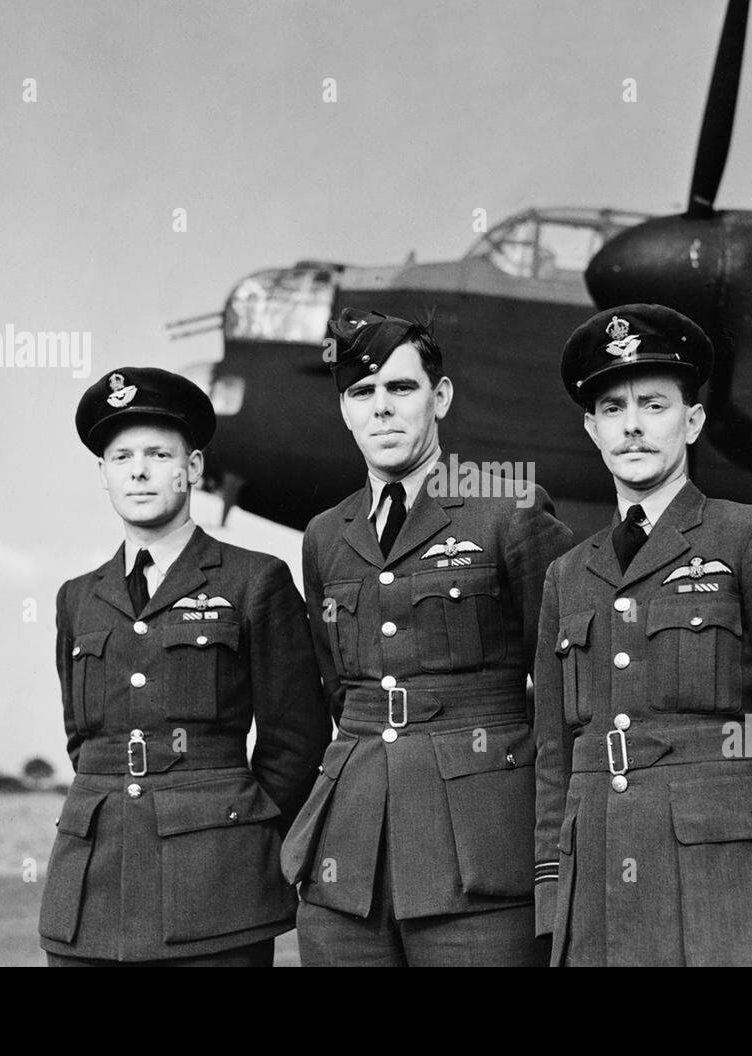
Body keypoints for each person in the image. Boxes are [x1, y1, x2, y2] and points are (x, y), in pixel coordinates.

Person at [534, 305, 752, 966]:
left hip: (727, 902)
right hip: (595, 904)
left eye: (654, 404)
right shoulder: (566, 576)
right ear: (591, 428)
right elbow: (554, 758)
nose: (632, 425)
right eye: (611, 408)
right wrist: (554, 910)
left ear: (692, 420)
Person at [281, 308, 573, 966]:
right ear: (344, 411)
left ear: (439, 397)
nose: (381, 408)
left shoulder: (512, 510)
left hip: (482, 862)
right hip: (346, 865)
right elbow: (338, 689)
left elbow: (564, 694)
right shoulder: (325, 535)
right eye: (361, 393)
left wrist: (557, 858)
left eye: (401, 388)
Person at [40, 367, 329, 965]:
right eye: (121, 456)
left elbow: (296, 737)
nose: (139, 471)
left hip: (217, 890)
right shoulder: (77, 597)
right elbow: (85, 742)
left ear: (192, 467)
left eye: (157, 453)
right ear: (103, 474)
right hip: (89, 886)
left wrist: (239, 832)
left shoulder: (256, 580)